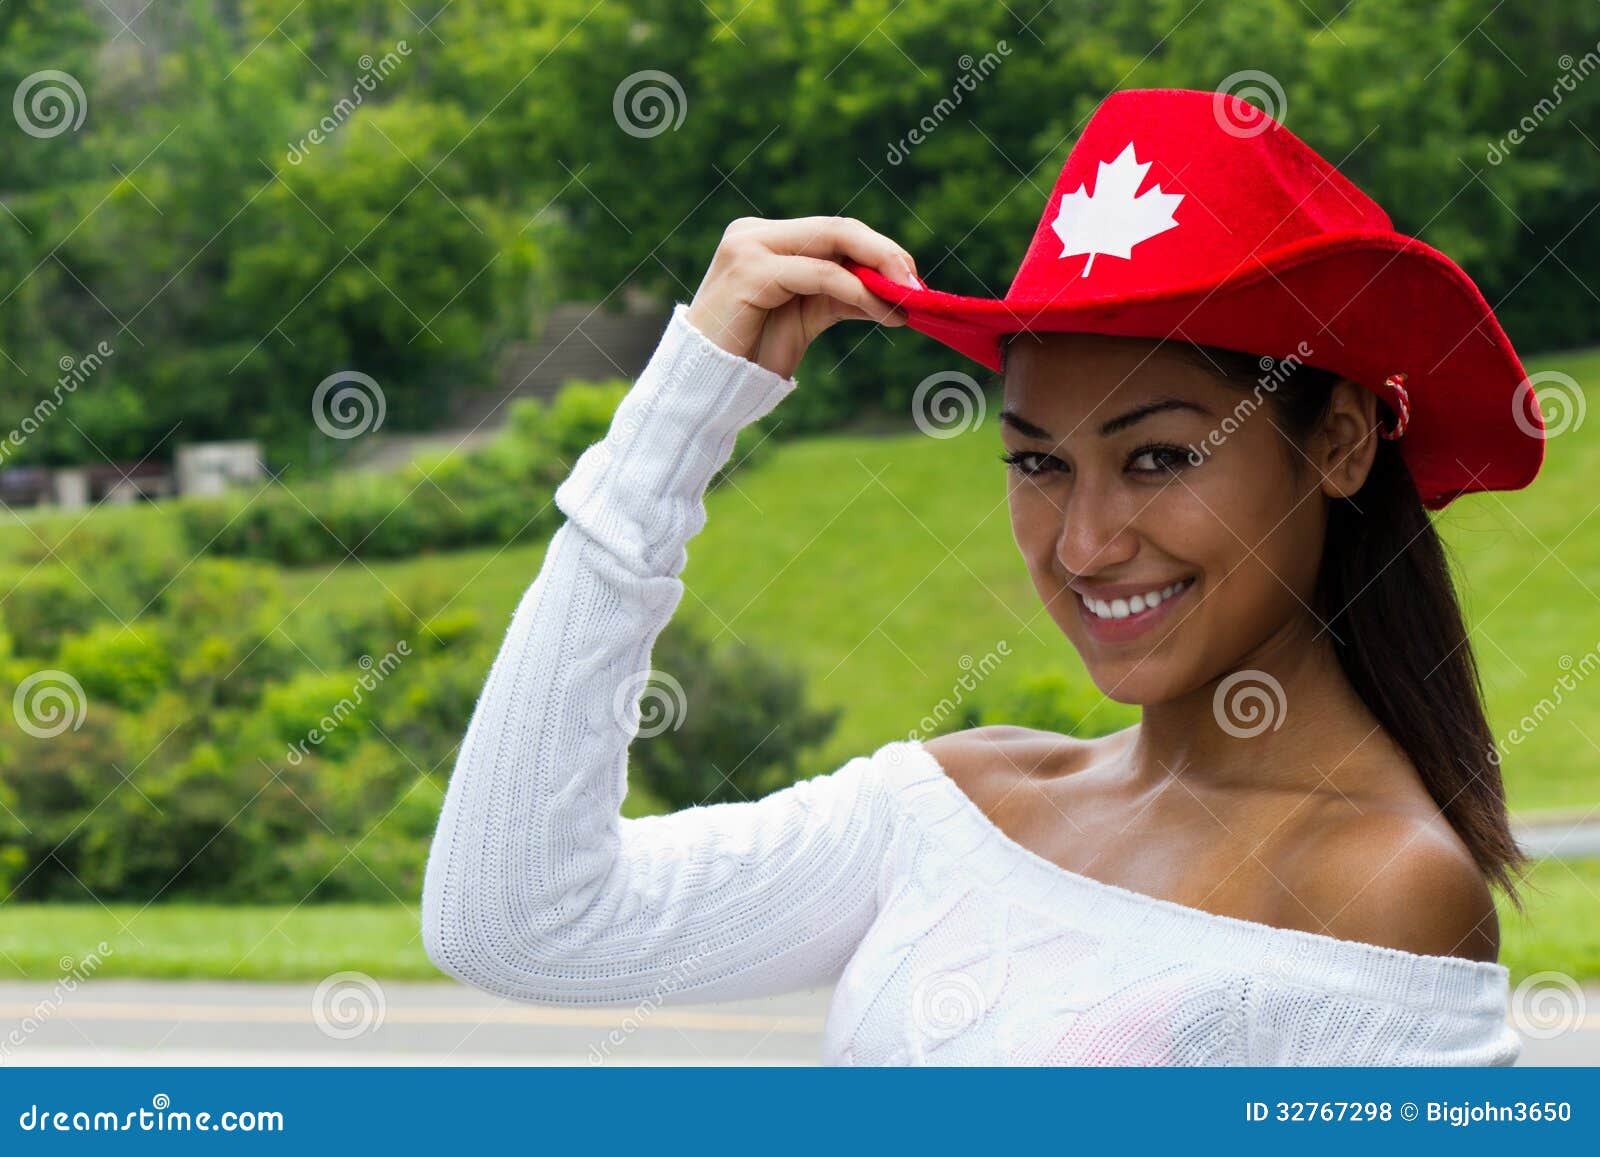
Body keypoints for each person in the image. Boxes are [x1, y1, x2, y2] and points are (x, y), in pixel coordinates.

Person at [421, 89, 1541, 1065]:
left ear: (1340, 441)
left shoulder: (1382, 886)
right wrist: (682, 413)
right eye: (1037, 462)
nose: (1085, 542)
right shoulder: (955, 806)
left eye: (1159, 457)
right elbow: (515, 918)